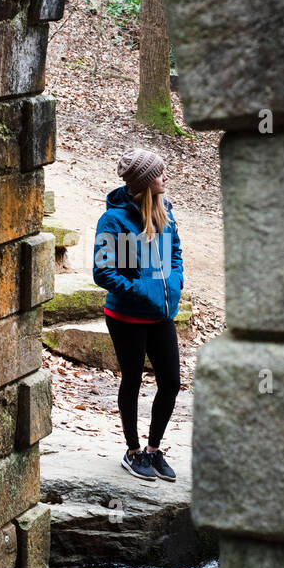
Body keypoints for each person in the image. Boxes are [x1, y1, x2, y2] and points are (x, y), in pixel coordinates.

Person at [92, 147, 184, 482]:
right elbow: (104, 273)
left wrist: (175, 282)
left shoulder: (165, 211)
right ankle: (132, 452)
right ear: (145, 182)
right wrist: (142, 292)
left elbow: (175, 252)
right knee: (132, 380)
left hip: (162, 315)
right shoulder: (115, 221)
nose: (165, 177)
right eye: (159, 173)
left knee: (171, 383)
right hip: (128, 318)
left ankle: (154, 450)